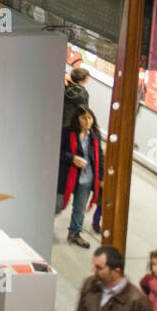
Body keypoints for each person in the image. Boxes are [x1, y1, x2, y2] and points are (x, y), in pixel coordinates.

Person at [73, 245, 157, 311]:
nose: (93, 269)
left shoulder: (138, 303)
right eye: (94, 265)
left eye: (99, 268)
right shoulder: (90, 284)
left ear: (116, 272)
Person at [56, 105, 102, 248]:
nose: (87, 121)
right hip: (67, 177)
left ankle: (75, 233)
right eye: (84, 118)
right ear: (77, 119)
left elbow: (99, 157)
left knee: (79, 208)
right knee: (56, 205)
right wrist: (72, 158)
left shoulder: (94, 136)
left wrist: (101, 178)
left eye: (90, 118)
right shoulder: (66, 133)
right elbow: (58, 150)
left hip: (86, 179)